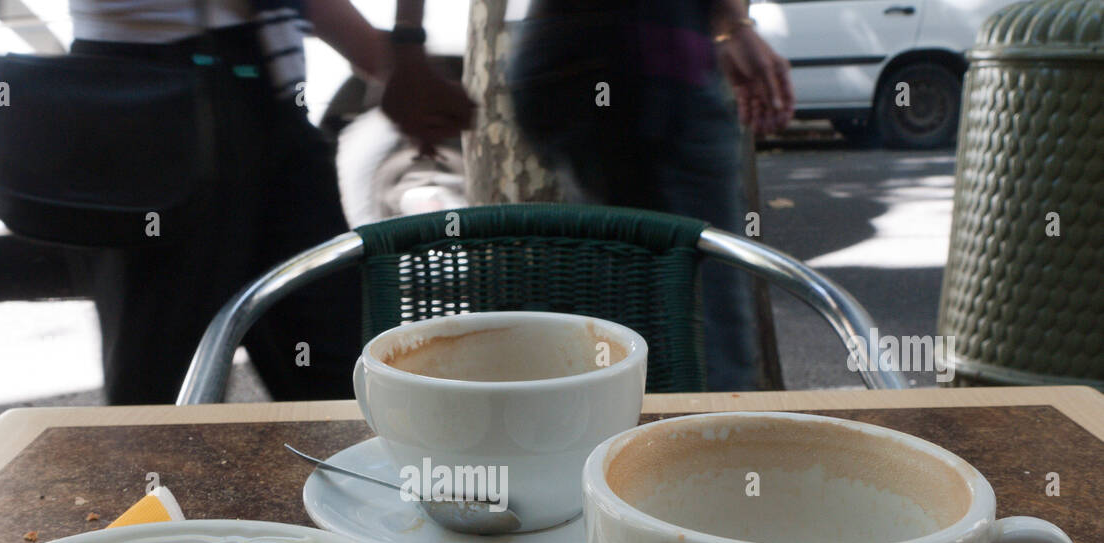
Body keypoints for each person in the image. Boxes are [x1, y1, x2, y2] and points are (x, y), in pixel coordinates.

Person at [66, 0, 468, 404]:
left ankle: (342, 461)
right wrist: (402, 54)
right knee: (161, 390)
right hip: (155, 92)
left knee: (339, 376)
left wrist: (395, 61)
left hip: (268, 98)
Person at [507, 0, 795, 391]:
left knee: (636, 313)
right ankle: (693, 437)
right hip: (648, 63)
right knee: (702, 328)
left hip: (565, 55)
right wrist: (732, 22)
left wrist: (407, 40)